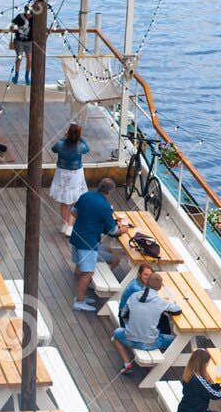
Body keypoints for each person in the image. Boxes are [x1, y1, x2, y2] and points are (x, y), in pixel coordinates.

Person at [69, 178, 129, 312]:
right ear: (110, 191)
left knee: (80, 265)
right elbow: (113, 231)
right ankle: (79, 301)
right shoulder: (105, 206)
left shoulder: (85, 196)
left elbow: (74, 212)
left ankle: (81, 295)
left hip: (76, 237)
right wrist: (122, 230)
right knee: (88, 273)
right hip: (88, 244)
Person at [111, 272, 181, 374]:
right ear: (160, 287)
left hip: (129, 337)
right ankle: (152, 366)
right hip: (150, 343)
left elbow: (123, 314)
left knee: (116, 334)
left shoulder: (134, 296)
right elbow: (177, 310)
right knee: (175, 341)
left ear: (146, 283)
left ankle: (127, 362)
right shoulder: (161, 302)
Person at [174, 348, 221, 412]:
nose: (208, 365)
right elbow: (214, 395)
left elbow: (204, 389)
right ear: (203, 364)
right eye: (207, 363)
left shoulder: (190, 373)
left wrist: (217, 386)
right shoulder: (198, 380)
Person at [49, 123, 91, 235]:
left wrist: (64, 137)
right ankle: (70, 227)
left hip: (62, 173)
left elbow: (53, 149)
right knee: (74, 200)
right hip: (75, 174)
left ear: (68, 132)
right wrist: (80, 138)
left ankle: (65, 224)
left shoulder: (60, 144)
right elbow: (87, 148)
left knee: (64, 201)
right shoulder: (80, 146)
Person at [9, 11, 33, 85]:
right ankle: (16, 76)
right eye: (27, 13)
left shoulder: (34, 18)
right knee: (19, 57)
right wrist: (12, 27)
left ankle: (27, 76)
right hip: (19, 41)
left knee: (29, 59)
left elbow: (41, 25)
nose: (29, 15)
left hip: (29, 42)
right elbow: (12, 24)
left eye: (30, 14)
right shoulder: (20, 16)